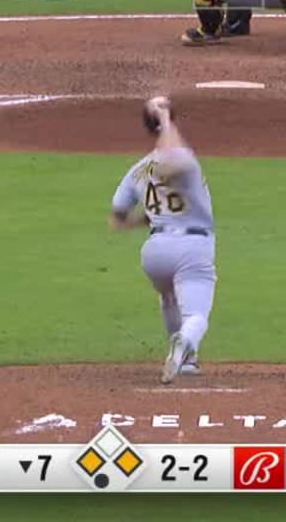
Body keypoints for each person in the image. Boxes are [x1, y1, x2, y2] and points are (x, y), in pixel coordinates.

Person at [110, 95, 217, 384]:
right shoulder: (180, 156)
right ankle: (184, 344)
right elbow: (173, 166)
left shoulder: (137, 170)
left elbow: (117, 216)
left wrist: (143, 220)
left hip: (155, 250)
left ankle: (188, 361)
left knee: (168, 297)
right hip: (192, 247)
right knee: (196, 315)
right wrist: (166, 119)